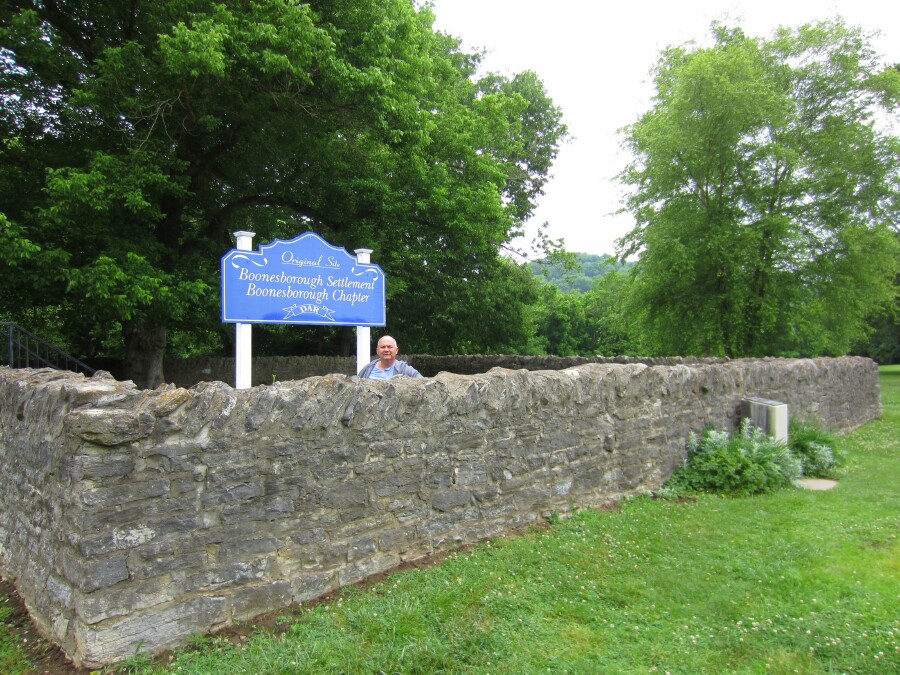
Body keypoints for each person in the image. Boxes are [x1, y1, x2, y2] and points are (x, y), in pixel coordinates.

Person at [357, 335, 422, 380]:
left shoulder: (405, 369)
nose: (386, 350)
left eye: (389, 347)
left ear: (396, 350)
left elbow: (422, 381)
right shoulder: (367, 369)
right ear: (377, 351)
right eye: (383, 347)